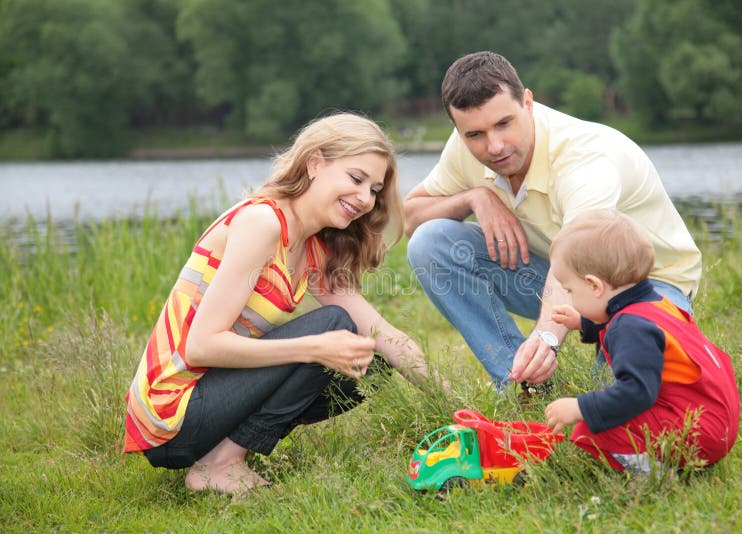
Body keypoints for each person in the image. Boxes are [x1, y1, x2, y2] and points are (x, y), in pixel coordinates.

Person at [124, 113, 436, 495]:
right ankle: (220, 465)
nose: (365, 199)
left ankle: (222, 453)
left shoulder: (314, 247)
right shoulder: (262, 222)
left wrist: (456, 406)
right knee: (333, 327)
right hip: (172, 412)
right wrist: (313, 348)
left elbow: (382, 332)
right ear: (315, 164)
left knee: (374, 361)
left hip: (213, 399)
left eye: (374, 189)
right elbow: (201, 345)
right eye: (356, 179)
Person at [404, 51, 701, 388]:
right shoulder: (464, 147)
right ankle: (520, 383)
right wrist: (474, 197)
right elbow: (412, 216)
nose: (495, 146)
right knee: (430, 243)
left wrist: (546, 338)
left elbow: (579, 256)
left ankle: (548, 358)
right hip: (556, 278)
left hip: (646, 287)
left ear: (528, 102)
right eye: (475, 135)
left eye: (504, 124)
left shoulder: (585, 159)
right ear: (459, 130)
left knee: (615, 398)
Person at [543, 209, 739, 473]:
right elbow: (626, 325)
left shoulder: (629, 327)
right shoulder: (655, 304)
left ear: (594, 286)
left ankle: (650, 473)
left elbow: (636, 392)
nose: (569, 295)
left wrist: (580, 406)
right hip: (715, 418)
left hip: (698, 433)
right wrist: (583, 322)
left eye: (570, 290)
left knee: (590, 428)